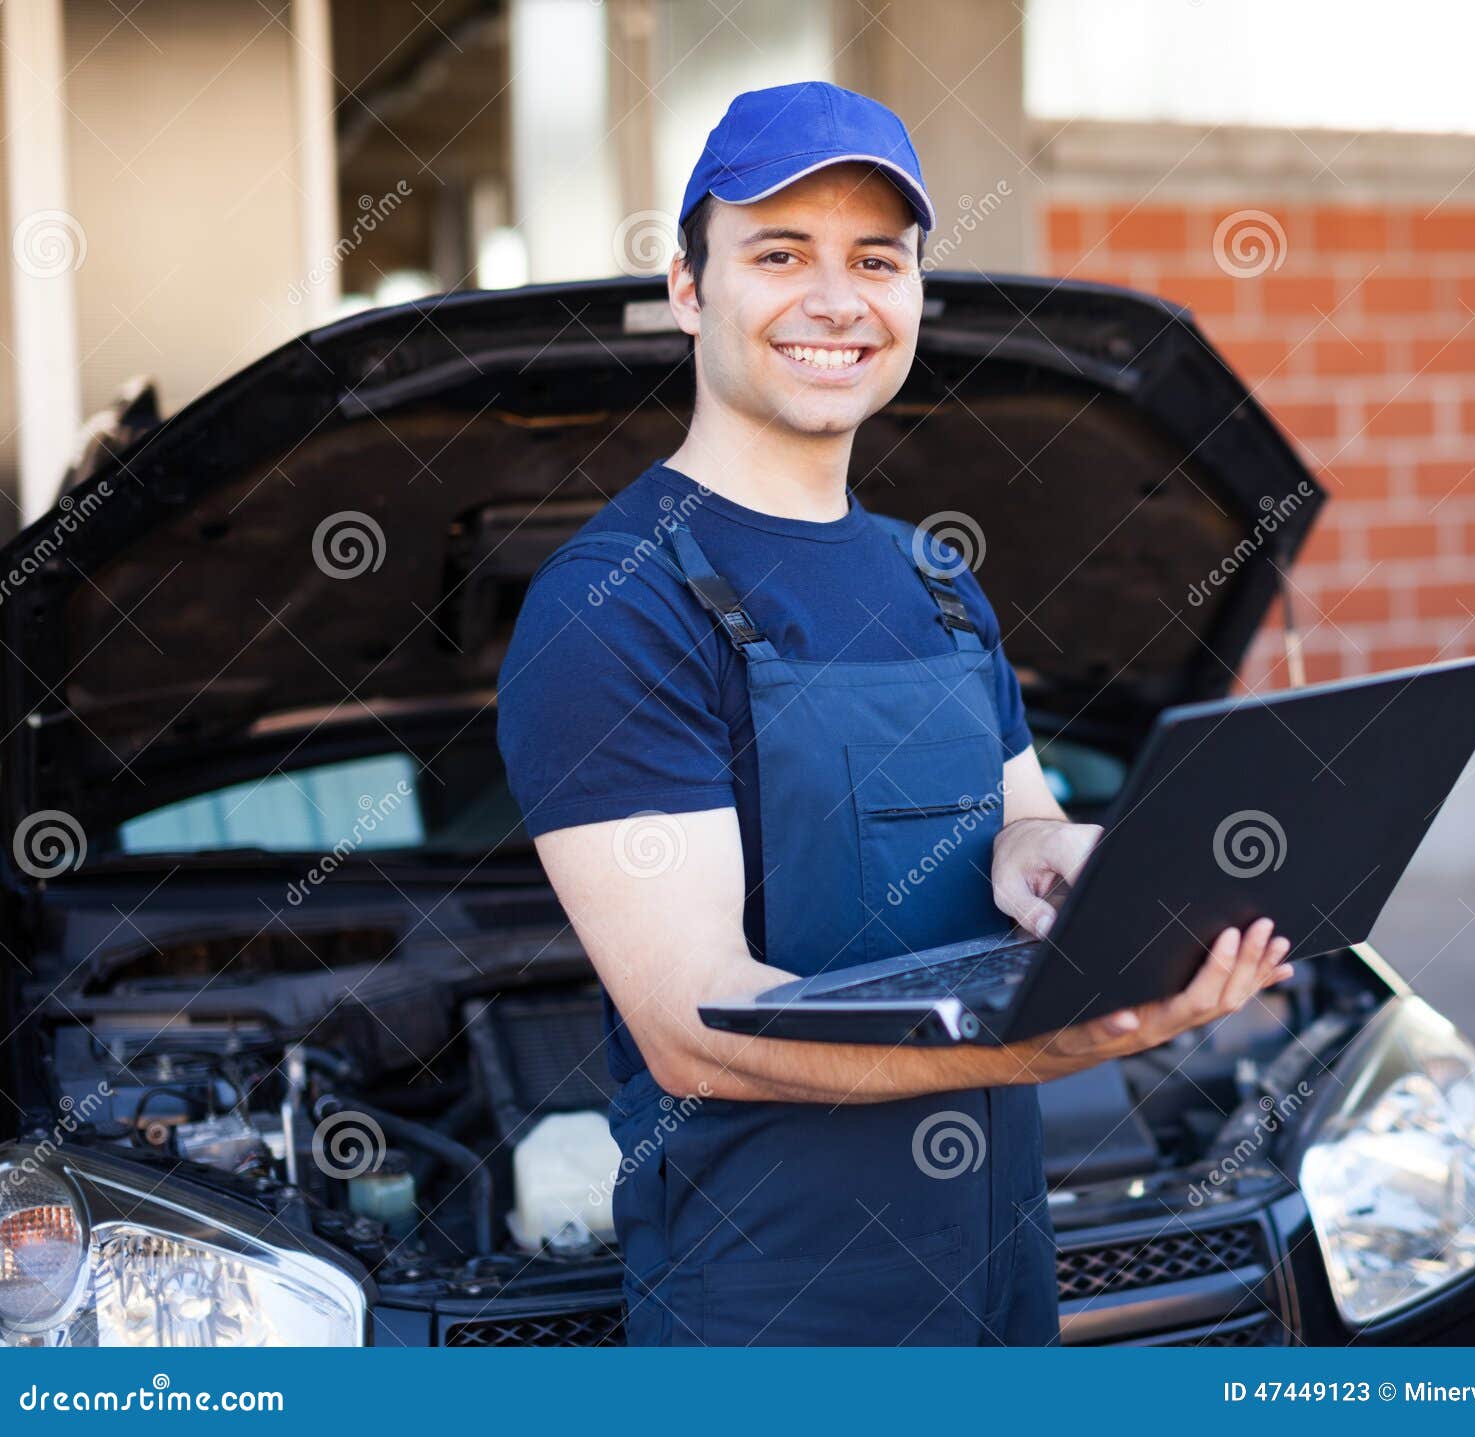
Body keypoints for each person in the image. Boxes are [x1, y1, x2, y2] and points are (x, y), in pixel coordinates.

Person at [496, 80, 1293, 1346]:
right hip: (775, 1297)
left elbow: (1021, 822)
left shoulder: (934, 580)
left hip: (996, 1253)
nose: (835, 299)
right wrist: (1041, 1050)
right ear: (690, 287)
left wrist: (1078, 873)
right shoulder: (618, 604)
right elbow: (697, 1026)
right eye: (778, 254)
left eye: (876, 258)